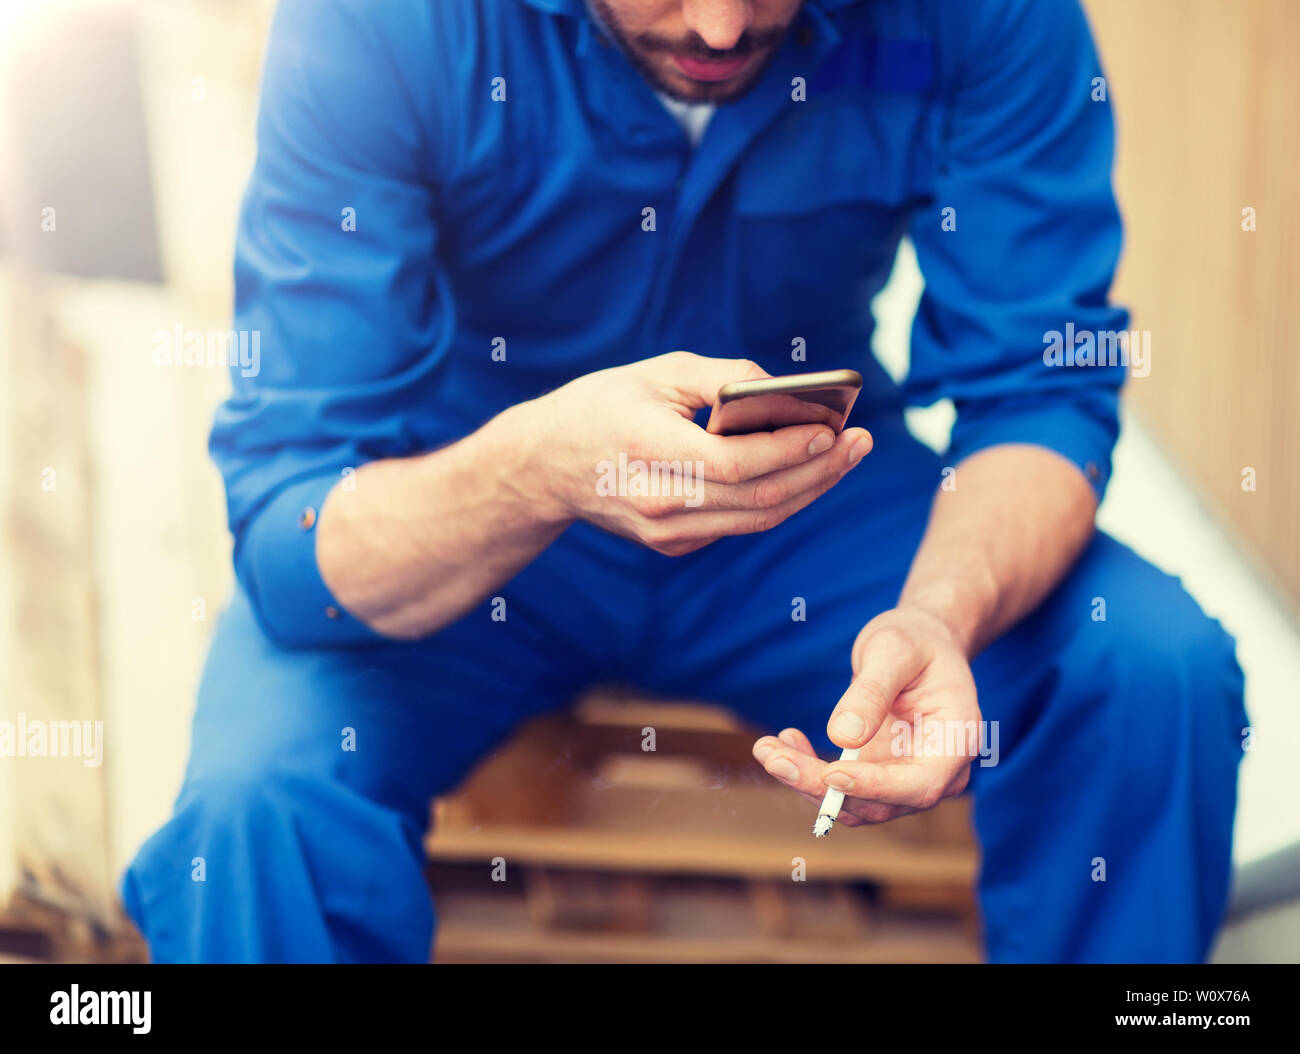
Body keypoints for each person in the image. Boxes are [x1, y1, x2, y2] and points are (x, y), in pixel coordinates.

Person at [122, 0, 1247, 963]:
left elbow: (1041, 391)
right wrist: (537, 469)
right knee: (250, 813)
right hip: (472, 507)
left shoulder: (987, 14)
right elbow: (292, 522)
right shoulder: (381, 24)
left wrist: (937, 616)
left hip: (806, 508)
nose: (720, 28)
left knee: (1149, 666)